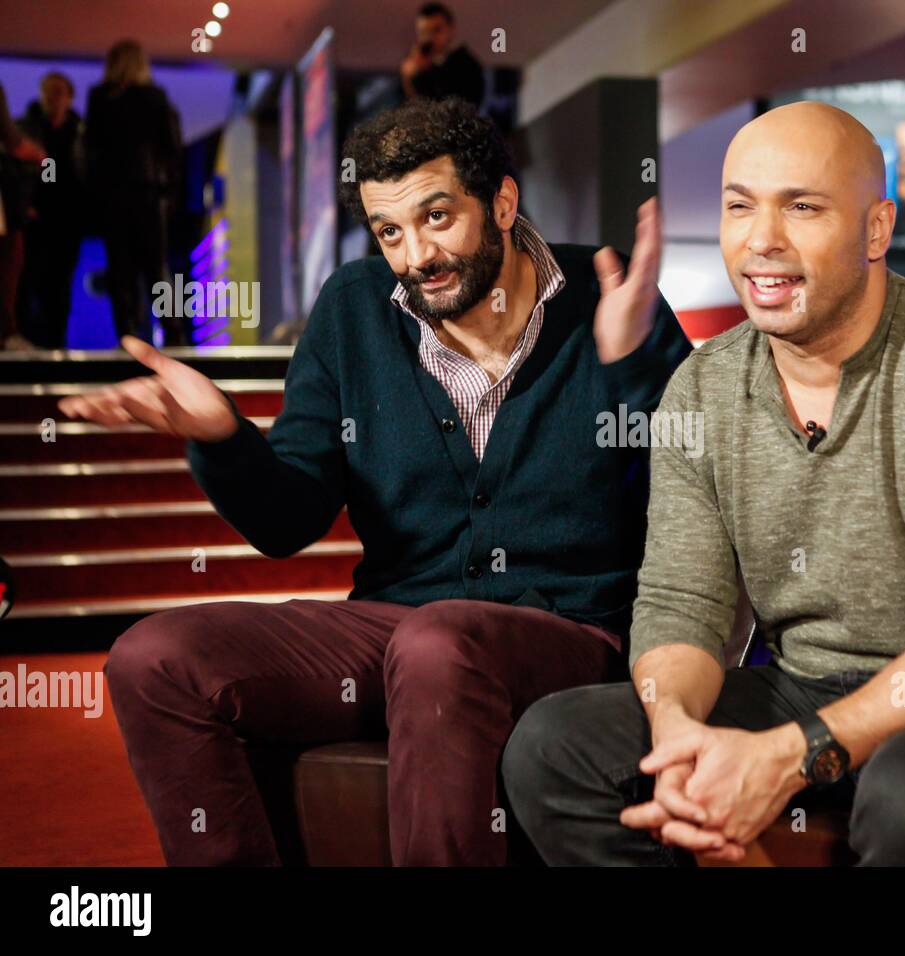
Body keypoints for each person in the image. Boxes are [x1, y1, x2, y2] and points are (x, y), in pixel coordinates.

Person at [58, 96, 692, 866]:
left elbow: (694, 505)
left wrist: (632, 373)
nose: (415, 255)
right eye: (390, 231)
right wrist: (222, 436)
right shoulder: (356, 308)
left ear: (501, 202)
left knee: (437, 643)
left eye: (436, 217)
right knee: (153, 658)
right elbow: (290, 516)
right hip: (400, 628)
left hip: (570, 631)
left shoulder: (611, 300)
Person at [503, 101, 905, 866]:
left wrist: (792, 757)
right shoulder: (702, 386)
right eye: (739, 207)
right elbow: (680, 606)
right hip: (807, 686)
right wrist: (679, 740)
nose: (762, 240)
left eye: (803, 207)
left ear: (876, 229)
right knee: (553, 748)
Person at [85, 40, 183, 346]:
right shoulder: (154, 97)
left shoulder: (100, 98)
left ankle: (127, 336)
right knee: (155, 266)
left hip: (114, 194)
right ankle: (173, 332)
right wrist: (169, 191)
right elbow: (171, 149)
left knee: (121, 269)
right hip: (148, 193)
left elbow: (92, 148)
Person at [17, 72, 86, 350]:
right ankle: (25, 339)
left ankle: (56, 343)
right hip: (35, 219)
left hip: (69, 219)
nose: (53, 98)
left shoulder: (81, 132)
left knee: (60, 283)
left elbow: (85, 172)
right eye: (48, 91)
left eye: (59, 92)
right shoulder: (27, 129)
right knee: (29, 280)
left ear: (69, 97)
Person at [0, 82, 46, 351]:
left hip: (43, 212)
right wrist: (40, 159)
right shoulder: (32, 128)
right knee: (8, 259)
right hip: (19, 207)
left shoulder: (75, 128)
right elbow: (13, 141)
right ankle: (7, 333)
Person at [401, 3, 485, 108]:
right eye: (423, 32)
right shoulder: (416, 62)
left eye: (436, 30)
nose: (429, 37)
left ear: (452, 29)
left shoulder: (468, 66)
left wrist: (425, 73)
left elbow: (453, 108)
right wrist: (409, 78)